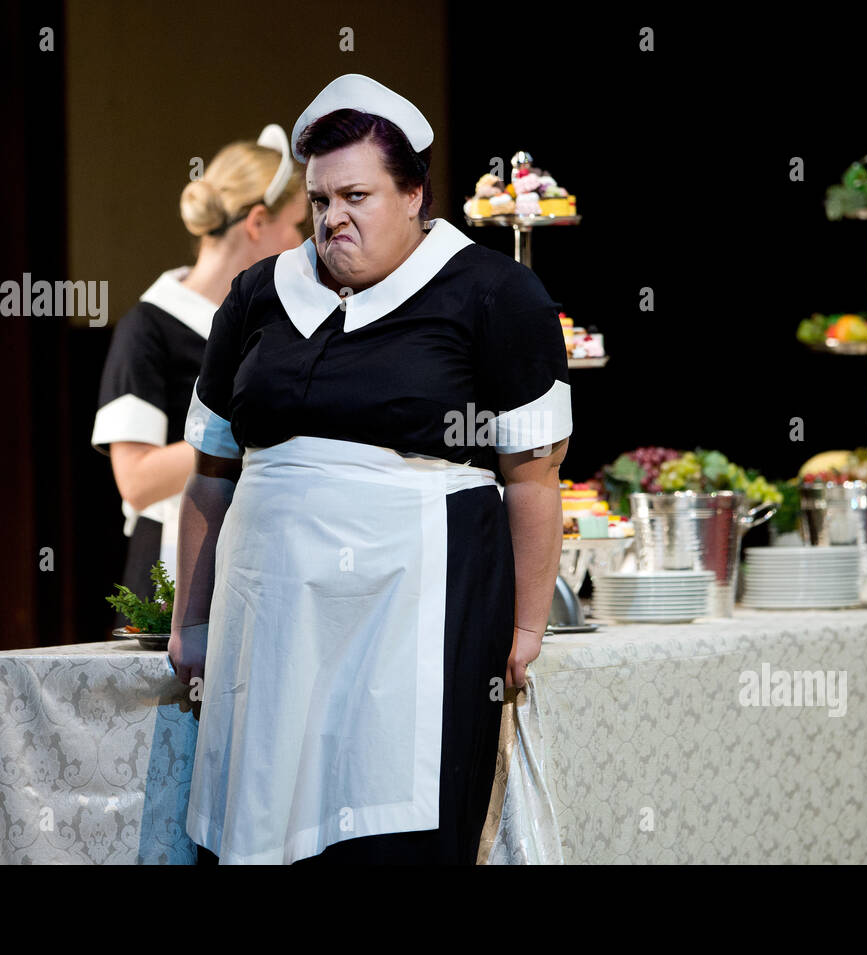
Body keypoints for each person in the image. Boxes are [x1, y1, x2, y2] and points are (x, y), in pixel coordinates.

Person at [168, 73, 571, 865]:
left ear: (416, 193)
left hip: (417, 609)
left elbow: (532, 475)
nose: (332, 219)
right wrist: (191, 618)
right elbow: (211, 472)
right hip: (271, 614)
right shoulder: (258, 294)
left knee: (388, 825)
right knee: (266, 818)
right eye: (319, 201)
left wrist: (526, 626)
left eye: (357, 196)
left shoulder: (492, 294)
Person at [91, 127, 309, 618]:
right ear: (257, 223)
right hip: (172, 567)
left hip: (258, 557)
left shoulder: (275, 320)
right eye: (296, 225)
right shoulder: (149, 326)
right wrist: (245, 431)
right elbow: (137, 479)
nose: (302, 242)